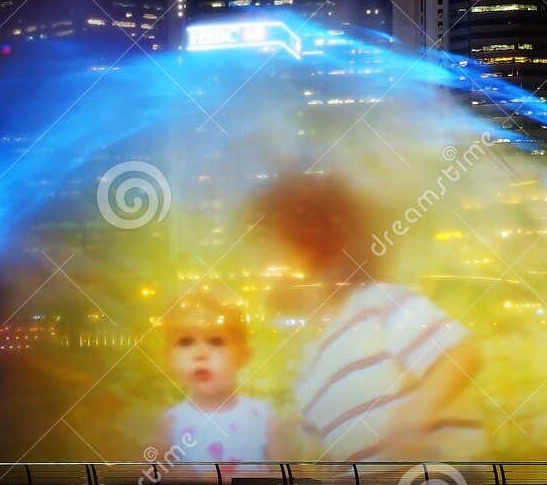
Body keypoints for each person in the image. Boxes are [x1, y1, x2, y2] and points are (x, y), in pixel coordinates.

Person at [256, 175, 483, 460]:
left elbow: (462, 353)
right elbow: (322, 456)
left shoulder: (379, 304)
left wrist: (419, 410)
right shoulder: (308, 371)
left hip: (440, 483)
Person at [160, 294, 273, 462]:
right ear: (169, 357)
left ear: (243, 355)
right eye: (185, 342)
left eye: (216, 341)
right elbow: (149, 478)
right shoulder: (169, 423)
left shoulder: (264, 418)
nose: (200, 354)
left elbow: (288, 477)